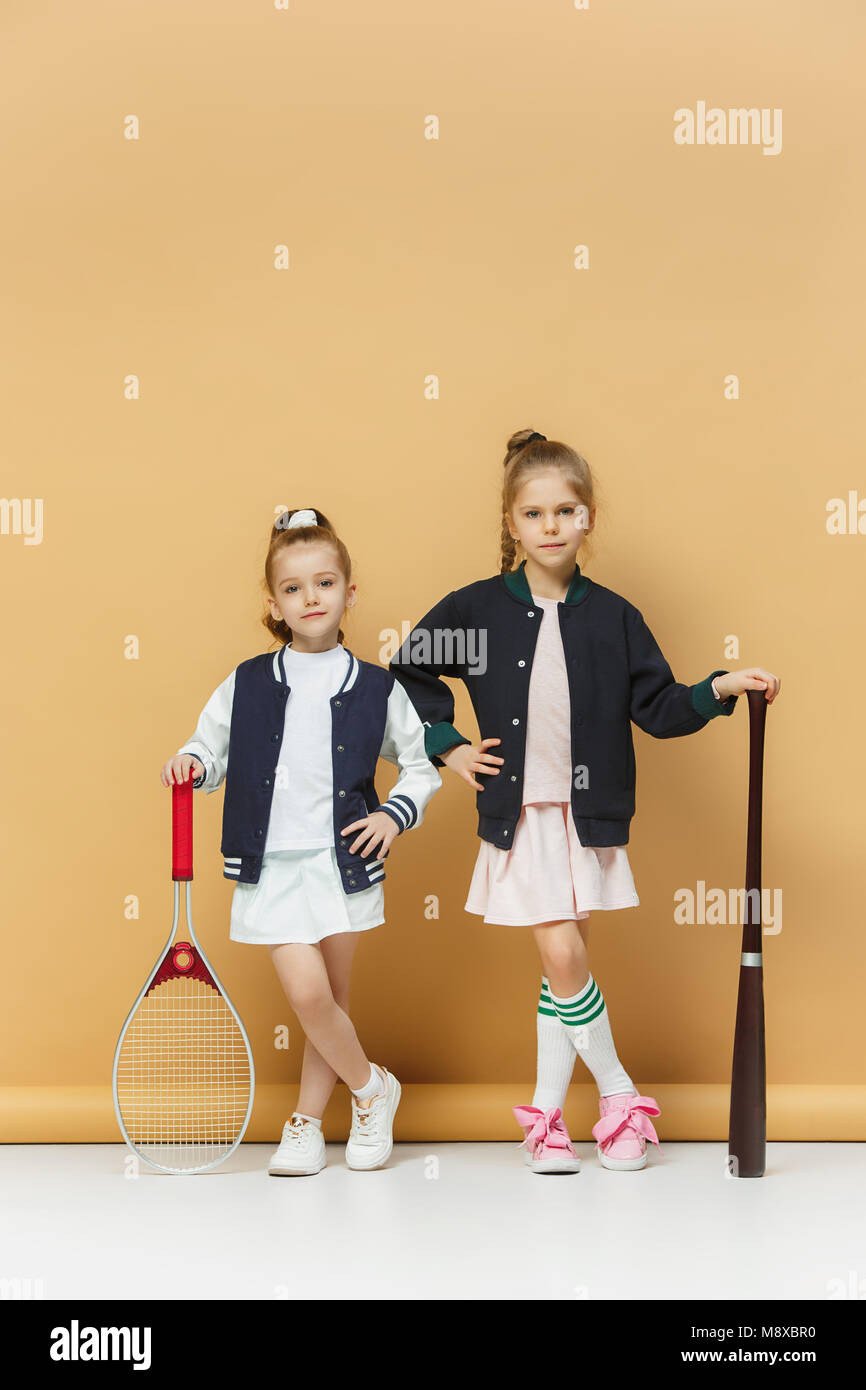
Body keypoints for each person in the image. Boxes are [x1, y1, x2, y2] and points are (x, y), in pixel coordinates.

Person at [390, 431, 781, 1172]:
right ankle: (620, 1094)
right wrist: (448, 744)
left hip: (590, 815)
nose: (550, 526)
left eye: (566, 510)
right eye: (534, 513)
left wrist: (720, 688)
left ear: (588, 518)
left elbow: (659, 707)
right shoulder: (478, 610)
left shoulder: (613, 616)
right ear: (512, 523)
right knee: (564, 953)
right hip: (522, 811)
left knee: (559, 973)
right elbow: (408, 675)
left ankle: (545, 1123)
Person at [160, 507, 441, 1175]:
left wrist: (392, 815)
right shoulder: (248, 681)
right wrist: (192, 764)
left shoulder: (376, 686)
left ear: (350, 591)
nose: (310, 598)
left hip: (344, 863)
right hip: (274, 865)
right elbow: (211, 747)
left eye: (324, 583)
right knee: (309, 997)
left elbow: (421, 763)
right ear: (273, 602)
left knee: (330, 1004)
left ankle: (307, 1124)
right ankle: (375, 1091)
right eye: (293, 588)